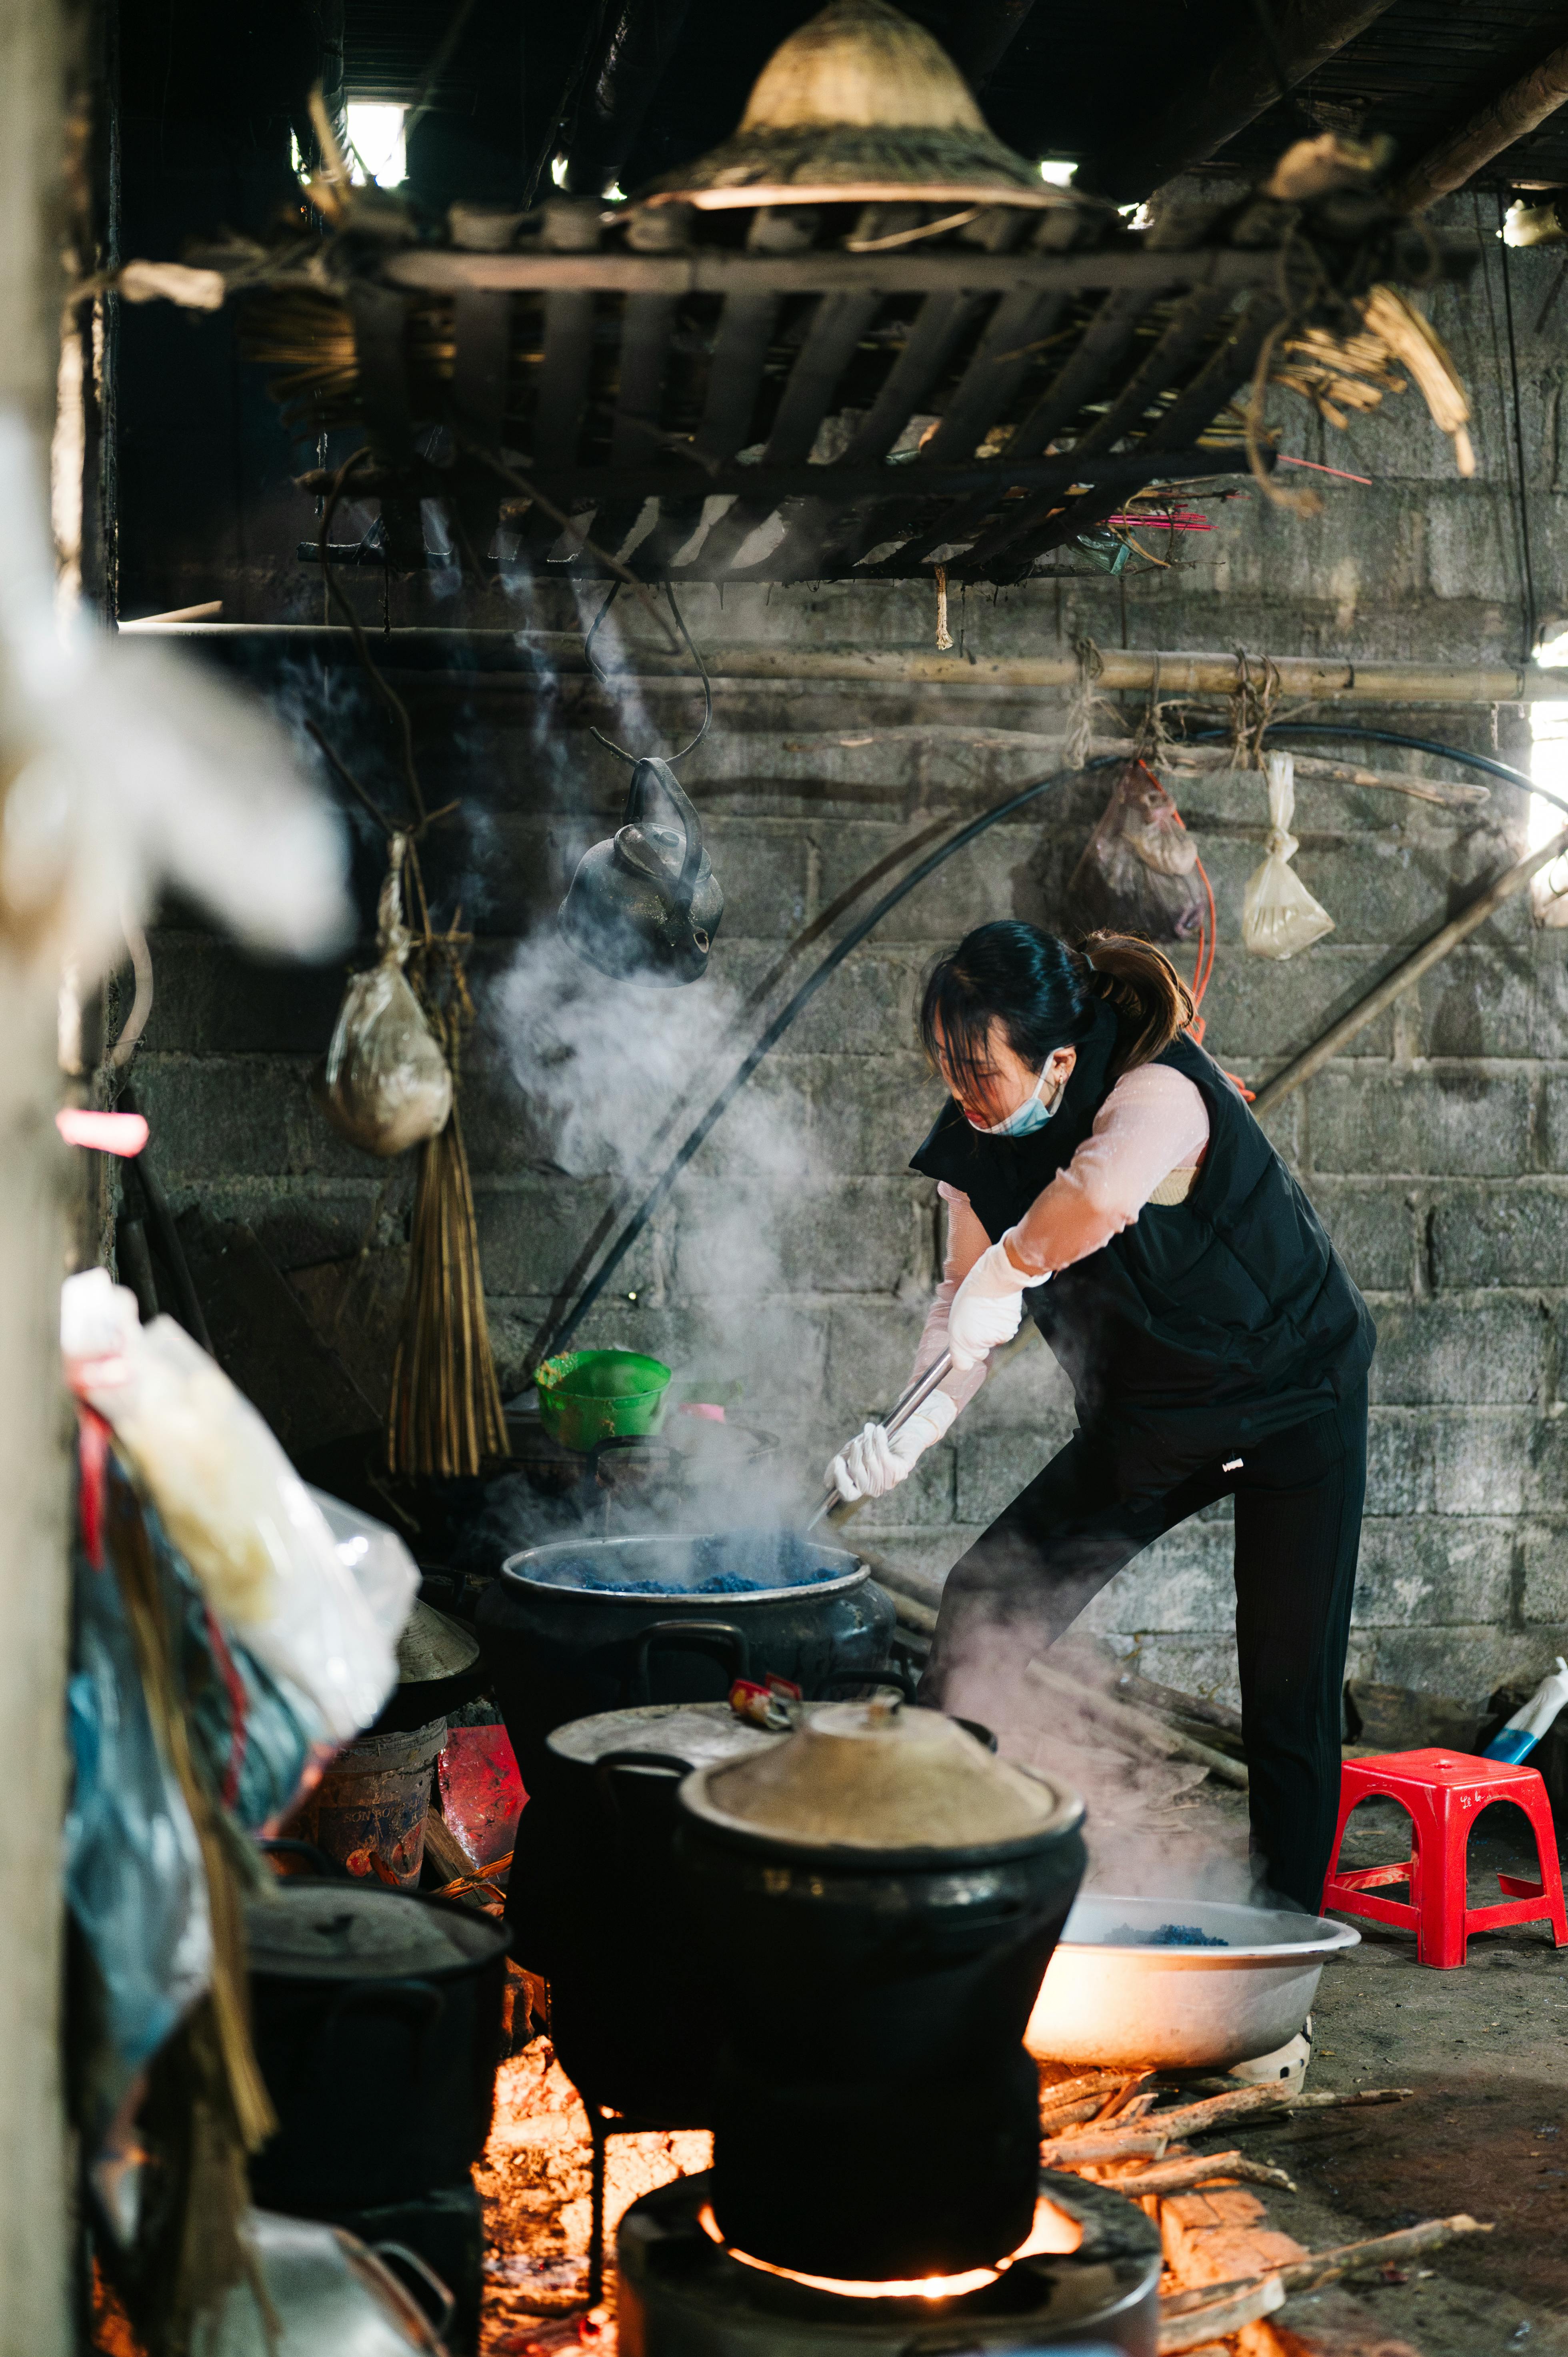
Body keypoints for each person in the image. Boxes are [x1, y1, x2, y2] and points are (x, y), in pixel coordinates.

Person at [826, 921, 1374, 1912]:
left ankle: (1276, 1968)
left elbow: (1103, 1194)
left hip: (1297, 1397)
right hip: (1148, 1418)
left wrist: (1014, 1265)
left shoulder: (1155, 1085)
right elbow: (962, 1312)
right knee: (983, 1600)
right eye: (946, 1067)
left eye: (979, 1069)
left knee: (1288, 1701)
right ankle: (932, 1872)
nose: (962, 1093)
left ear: (1060, 1059)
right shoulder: (976, 1150)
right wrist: (905, 1433)